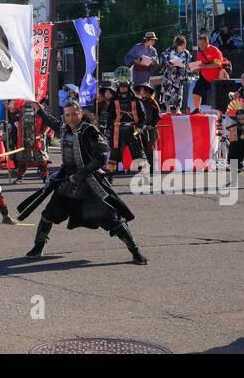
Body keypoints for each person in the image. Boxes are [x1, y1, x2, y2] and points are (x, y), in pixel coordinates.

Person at [23, 101, 147, 264]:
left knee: (112, 218)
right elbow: (52, 122)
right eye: (67, 114)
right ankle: (38, 247)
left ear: (81, 114)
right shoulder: (63, 127)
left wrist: (82, 173)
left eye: (74, 114)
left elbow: (103, 156)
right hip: (68, 181)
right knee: (48, 214)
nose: (71, 117)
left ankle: (135, 251)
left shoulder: (89, 131)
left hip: (91, 182)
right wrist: (40, 111)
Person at [103, 80, 146, 174]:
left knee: (137, 151)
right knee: (115, 151)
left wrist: (139, 128)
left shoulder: (136, 100)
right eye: (121, 86)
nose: (123, 88)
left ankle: (142, 170)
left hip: (133, 129)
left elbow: (143, 117)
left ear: (128, 87)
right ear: (119, 88)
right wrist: (107, 128)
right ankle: (113, 170)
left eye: (125, 86)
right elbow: (110, 117)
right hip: (117, 130)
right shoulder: (114, 101)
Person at [9, 98, 51, 182]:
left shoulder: (40, 108)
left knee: (41, 158)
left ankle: (45, 176)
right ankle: (20, 177)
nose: (28, 101)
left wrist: (43, 133)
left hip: (37, 137)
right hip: (23, 138)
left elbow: (48, 122)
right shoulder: (20, 108)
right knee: (22, 158)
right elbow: (11, 112)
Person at [159, 35, 193, 113]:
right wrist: (168, 63)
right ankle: (168, 109)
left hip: (180, 74)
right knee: (167, 90)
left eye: (184, 45)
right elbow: (163, 58)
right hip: (169, 74)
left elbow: (189, 63)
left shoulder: (186, 53)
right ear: (178, 45)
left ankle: (178, 109)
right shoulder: (169, 50)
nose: (184, 47)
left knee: (179, 91)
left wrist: (186, 66)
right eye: (182, 45)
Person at [191, 33, 225, 111]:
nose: (200, 46)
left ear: (207, 42)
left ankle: (220, 115)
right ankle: (197, 109)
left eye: (202, 44)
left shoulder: (215, 50)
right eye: (199, 44)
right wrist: (195, 68)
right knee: (195, 91)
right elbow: (200, 66)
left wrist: (205, 66)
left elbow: (218, 64)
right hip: (205, 78)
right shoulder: (199, 53)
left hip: (217, 79)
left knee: (218, 98)